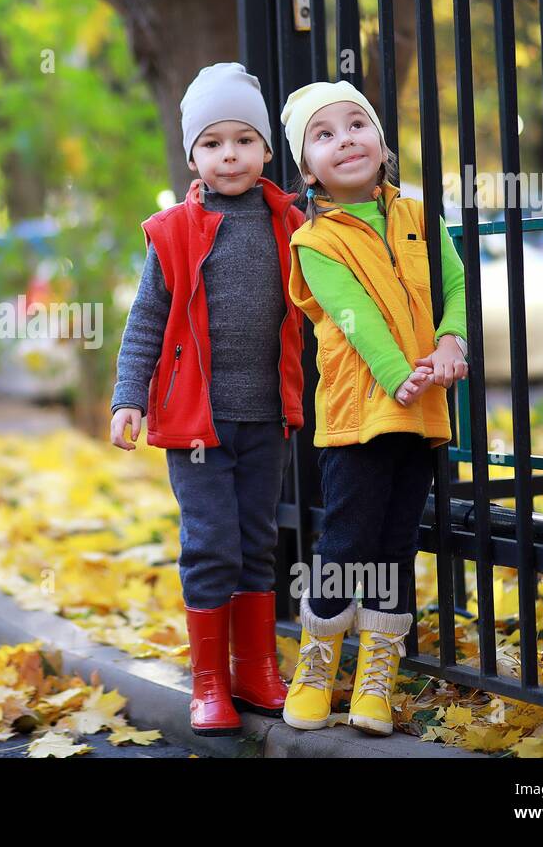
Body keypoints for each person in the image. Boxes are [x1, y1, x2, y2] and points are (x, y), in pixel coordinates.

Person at [108, 62, 307, 736]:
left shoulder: (290, 223)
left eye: (244, 140)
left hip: (266, 419)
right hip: (196, 422)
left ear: (266, 151)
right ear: (193, 153)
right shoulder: (172, 232)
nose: (231, 154)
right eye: (215, 142)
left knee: (257, 540)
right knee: (212, 543)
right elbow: (144, 322)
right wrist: (128, 398)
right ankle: (208, 681)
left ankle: (255, 671)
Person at [281, 79, 469, 735]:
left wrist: (451, 342)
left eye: (356, 124)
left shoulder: (420, 217)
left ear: (382, 143)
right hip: (358, 417)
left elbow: (453, 284)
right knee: (347, 542)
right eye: (324, 134)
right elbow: (352, 316)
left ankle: (374, 680)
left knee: (394, 545)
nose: (345, 140)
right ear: (309, 167)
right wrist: (399, 377)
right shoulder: (316, 241)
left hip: (419, 414)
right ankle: (317, 664)